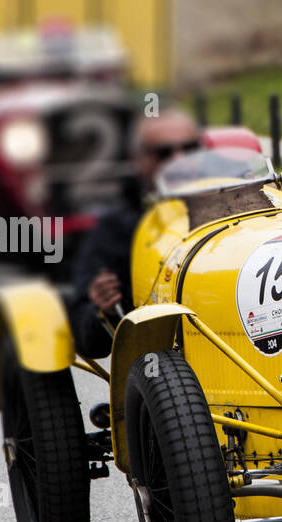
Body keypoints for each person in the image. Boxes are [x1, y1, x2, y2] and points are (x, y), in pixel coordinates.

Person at [69, 109, 200, 358]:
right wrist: (103, 310)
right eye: (164, 153)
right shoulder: (114, 230)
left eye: (190, 149)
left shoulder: (238, 207)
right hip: (160, 365)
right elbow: (85, 335)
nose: (179, 160)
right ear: (139, 160)